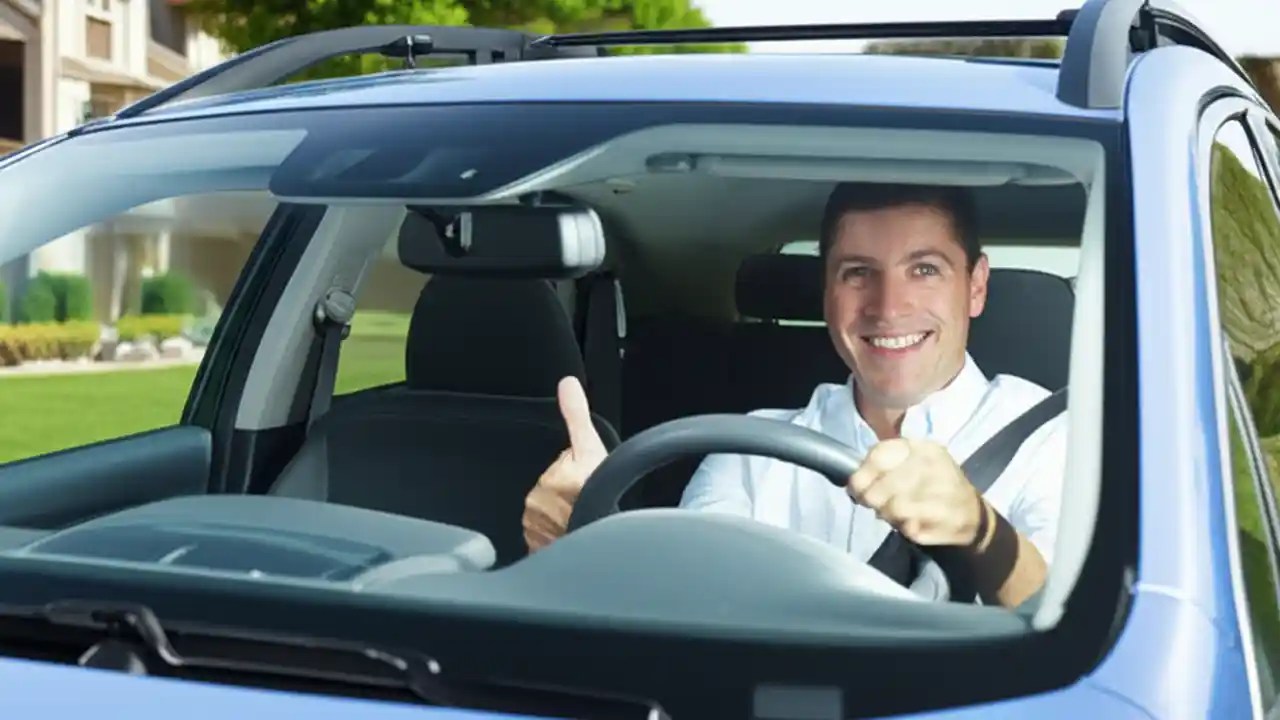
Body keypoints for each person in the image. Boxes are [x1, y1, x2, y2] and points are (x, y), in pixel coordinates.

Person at [521, 181, 1067, 609]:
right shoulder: (753, 446)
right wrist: (589, 548)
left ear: (975, 286)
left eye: (924, 270)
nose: (888, 306)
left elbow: (1076, 624)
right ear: (826, 294)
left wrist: (982, 530)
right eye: (858, 273)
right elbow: (688, 611)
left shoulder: (1055, 436)